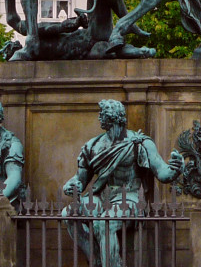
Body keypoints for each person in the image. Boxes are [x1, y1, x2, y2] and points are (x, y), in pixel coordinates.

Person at [62, 100, 182, 266]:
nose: (99, 118)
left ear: (112, 117)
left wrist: (175, 168)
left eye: (102, 114)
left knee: (104, 223)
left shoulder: (139, 142)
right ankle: (96, 258)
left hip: (130, 197)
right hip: (102, 196)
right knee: (68, 214)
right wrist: (71, 185)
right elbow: (80, 180)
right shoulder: (93, 146)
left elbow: (163, 173)